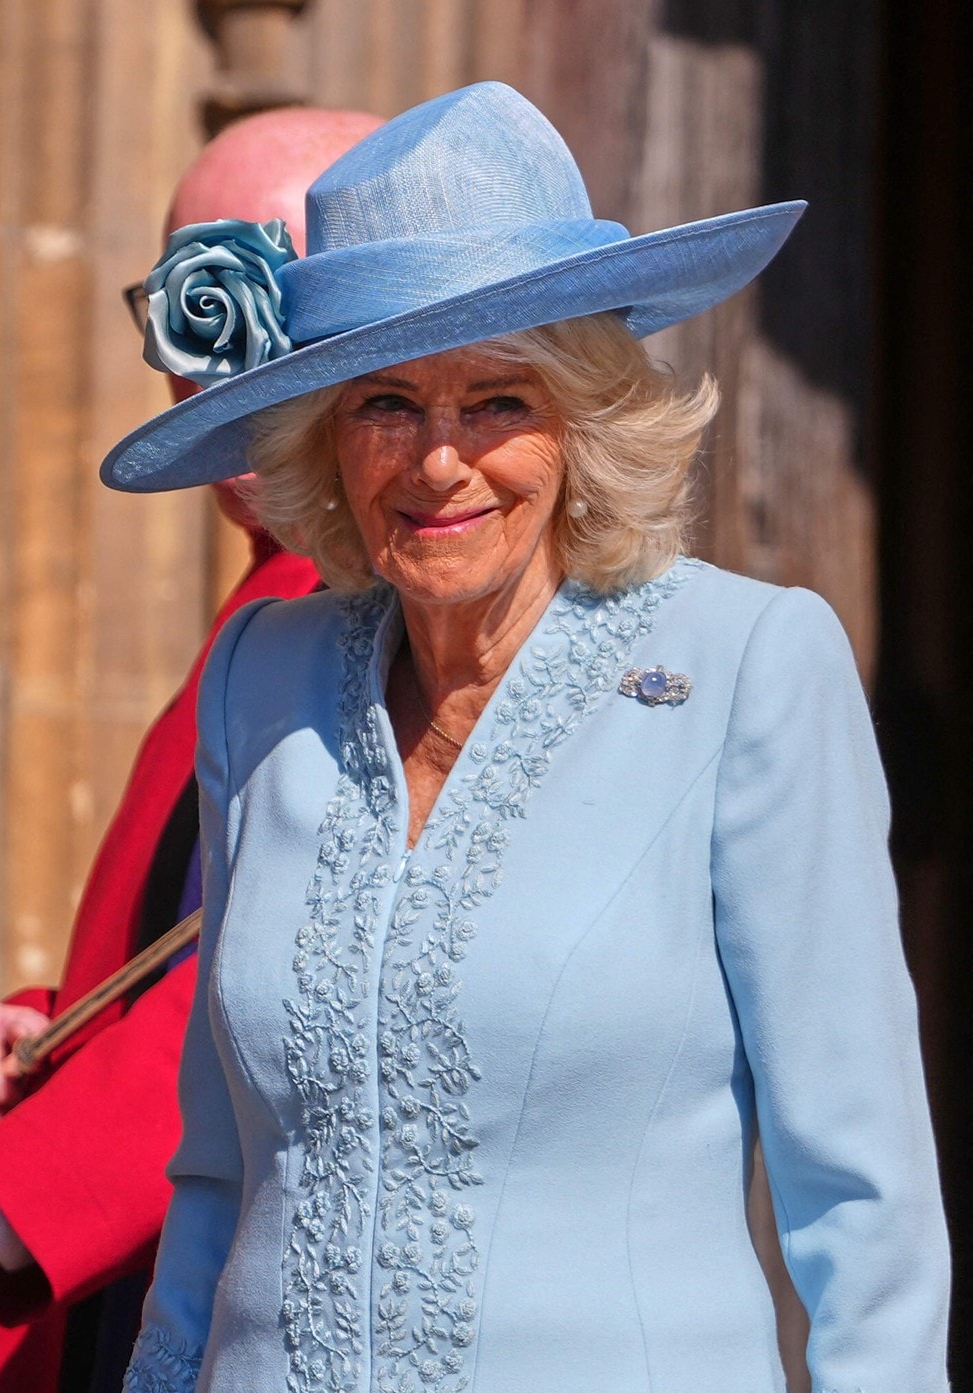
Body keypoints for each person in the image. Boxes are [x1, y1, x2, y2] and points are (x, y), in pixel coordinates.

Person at [97, 81, 950, 1392]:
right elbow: (219, 1174)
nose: (439, 461)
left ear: (587, 419)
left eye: (498, 400)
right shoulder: (258, 681)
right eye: (386, 402)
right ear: (325, 443)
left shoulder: (745, 669)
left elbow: (863, 1191)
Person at [0, 109, 379, 1393]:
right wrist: (38, 1041)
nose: (210, 366)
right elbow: (208, 942)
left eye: (261, 296)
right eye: (190, 304)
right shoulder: (270, 605)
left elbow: (317, 981)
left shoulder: (412, 615)